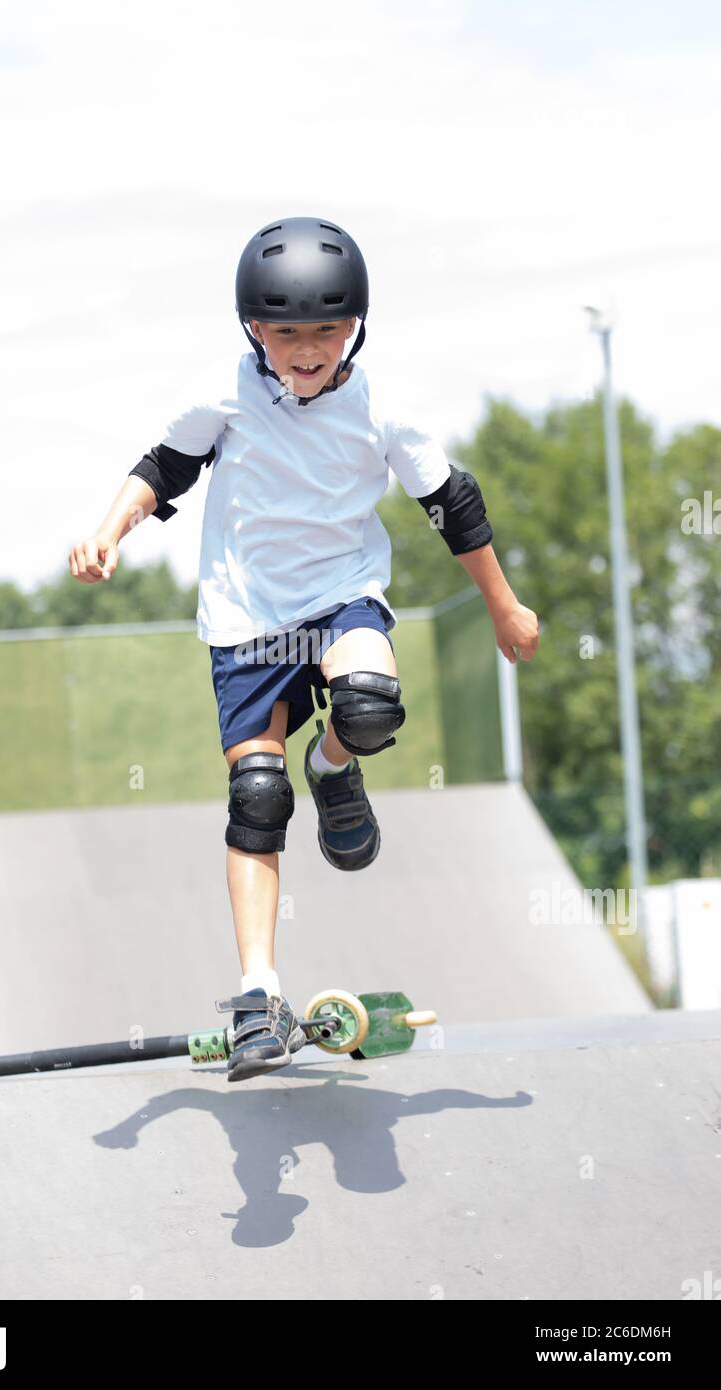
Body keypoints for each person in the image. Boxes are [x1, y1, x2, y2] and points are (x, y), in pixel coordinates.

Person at [69, 215, 539, 1082]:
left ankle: (333, 763)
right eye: (287, 332)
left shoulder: (383, 408)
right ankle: (257, 993)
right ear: (254, 329)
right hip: (247, 619)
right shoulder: (223, 394)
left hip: (341, 599)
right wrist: (108, 532)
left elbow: (454, 505)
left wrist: (504, 606)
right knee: (255, 797)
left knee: (367, 704)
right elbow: (161, 469)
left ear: (356, 325)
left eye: (327, 329)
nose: (308, 349)